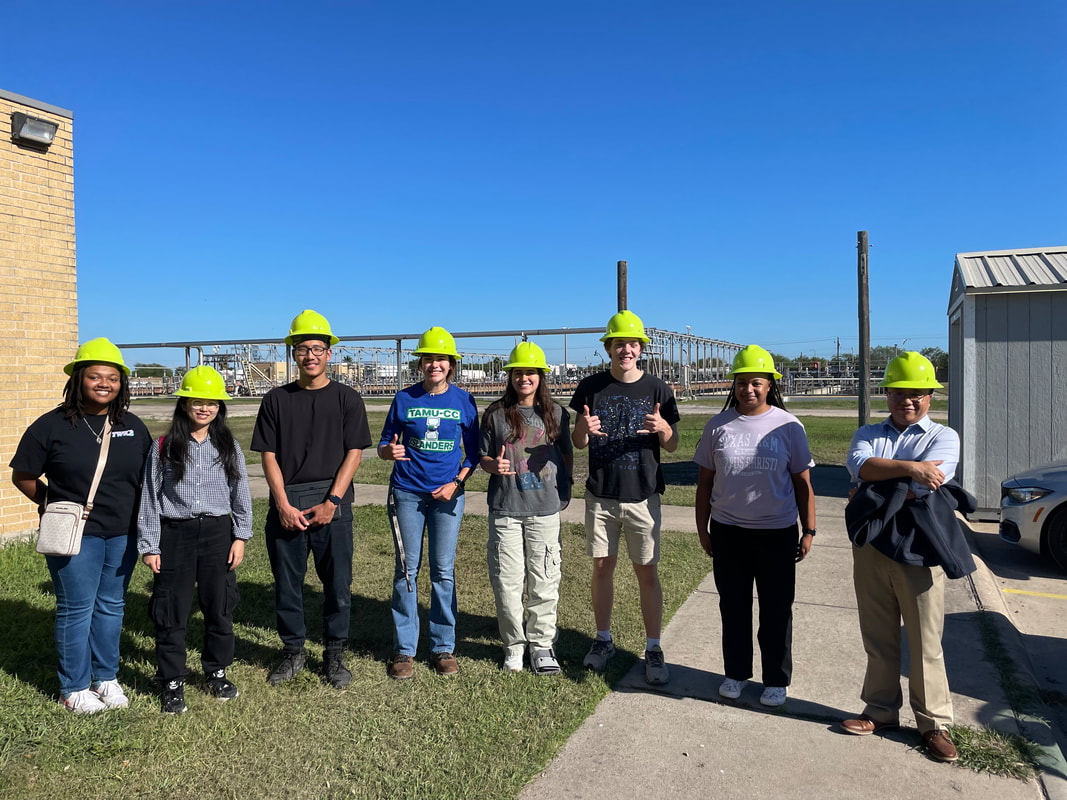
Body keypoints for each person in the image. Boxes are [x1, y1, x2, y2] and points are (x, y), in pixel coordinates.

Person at [10, 338, 151, 714]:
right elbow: (22, 474)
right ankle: (73, 687)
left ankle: (106, 678)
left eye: (113, 377)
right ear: (78, 379)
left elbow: (146, 480)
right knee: (77, 608)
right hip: (76, 536)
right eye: (95, 376)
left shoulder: (132, 426)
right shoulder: (51, 425)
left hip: (123, 534)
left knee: (112, 606)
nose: (104, 383)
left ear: (121, 383)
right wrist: (51, 505)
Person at [841, 351, 967, 763]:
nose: (906, 401)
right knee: (878, 635)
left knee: (925, 639)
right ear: (887, 393)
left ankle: (933, 723)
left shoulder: (944, 436)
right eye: (898, 393)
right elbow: (860, 467)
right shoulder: (868, 432)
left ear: (930, 395)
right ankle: (880, 711)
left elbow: (930, 486)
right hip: (873, 547)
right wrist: (910, 471)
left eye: (916, 394)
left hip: (919, 547)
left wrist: (877, 485)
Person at [251, 310, 372, 689]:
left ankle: (334, 653)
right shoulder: (276, 400)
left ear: (329, 353)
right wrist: (283, 504)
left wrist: (333, 501)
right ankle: (293, 652)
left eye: (318, 348)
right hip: (288, 504)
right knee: (288, 585)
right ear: (293, 353)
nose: (311, 355)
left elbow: (355, 451)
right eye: (303, 348)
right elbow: (267, 455)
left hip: (332, 504)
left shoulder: (347, 399)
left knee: (337, 584)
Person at [693, 344, 816, 708]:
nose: (749, 389)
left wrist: (808, 530)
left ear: (770, 385)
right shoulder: (718, 426)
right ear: (734, 384)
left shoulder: (789, 426)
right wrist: (704, 529)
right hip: (729, 532)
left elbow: (803, 483)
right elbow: (704, 485)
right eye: (742, 382)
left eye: (757, 382)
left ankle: (776, 679)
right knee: (733, 606)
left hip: (777, 533)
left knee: (777, 608)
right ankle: (735, 673)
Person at [569, 310, 679, 686]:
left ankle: (653, 647)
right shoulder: (590, 388)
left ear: (640, 349)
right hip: (601, 495)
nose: (626, 350)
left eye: (632, 344)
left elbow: (674, 443)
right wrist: (581, 429)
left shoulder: (658, 389)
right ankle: (603, 641)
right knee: (602, 567)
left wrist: (664, 429)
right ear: (608, 348)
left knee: (646, 571)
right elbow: (578, 442)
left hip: (643, 495)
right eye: (619, 344)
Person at [137, 366, 253, 714]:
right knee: (172, 610)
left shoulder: (227, 446)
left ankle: (216, 670)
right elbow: (150, 497)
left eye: (212, 403)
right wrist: (150, 545)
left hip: (218, 533)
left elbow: (240, 492)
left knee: (219, 606)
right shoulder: (164, 446)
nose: (205, 408)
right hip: (177, 535)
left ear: (220, 407)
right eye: (197, 401)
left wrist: (241, 536)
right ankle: (172, 679)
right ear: (184, 403)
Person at [378, 326, 478, 679]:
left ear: (451, 365)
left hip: (447, 497)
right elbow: (384, 444)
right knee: (407, 569)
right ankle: (405, 649)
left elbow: (474, 455)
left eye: (441, 359)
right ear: (420, 363)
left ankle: (442, 646)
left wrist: (455, 484)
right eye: (429, 359)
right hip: (407, 492)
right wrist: (388, 451)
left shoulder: (464, 401)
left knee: (443, 571)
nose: (434, 364)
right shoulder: (405, 398)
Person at [479, 341, 573, 674]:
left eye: (531, 373)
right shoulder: (494, 414)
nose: (525, 379)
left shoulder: (557, 413)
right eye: (519, 373)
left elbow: (566, 454)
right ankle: (514, 646)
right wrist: (493, 467)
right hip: (506, 510)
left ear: (541, 376)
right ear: (511, 376)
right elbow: (484, 456)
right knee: (507, 581)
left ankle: (542, 645)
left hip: (544, 510)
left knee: (545, 579)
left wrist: (565, 490)